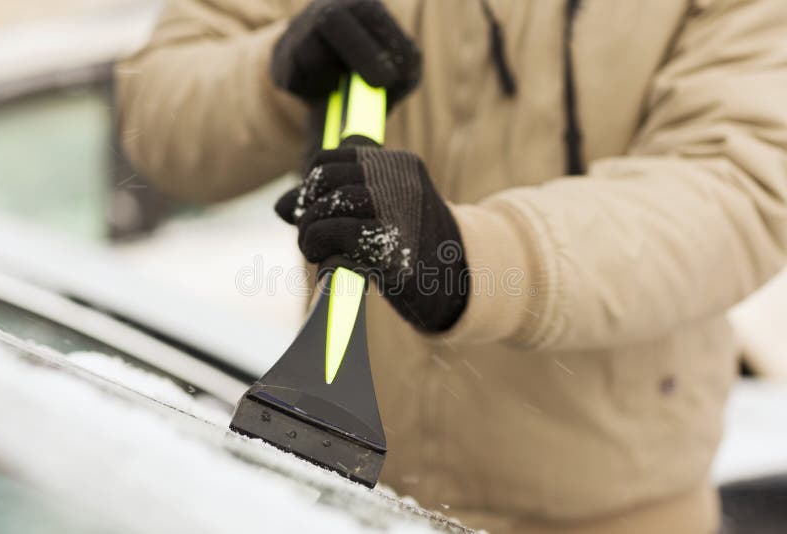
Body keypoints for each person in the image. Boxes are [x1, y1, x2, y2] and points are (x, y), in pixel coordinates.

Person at [116, 1, 787, 532]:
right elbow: (154, 127)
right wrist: (270, 74)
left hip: (612, 515)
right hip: (346, 495)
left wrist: (475, 258)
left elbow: (740, 183)